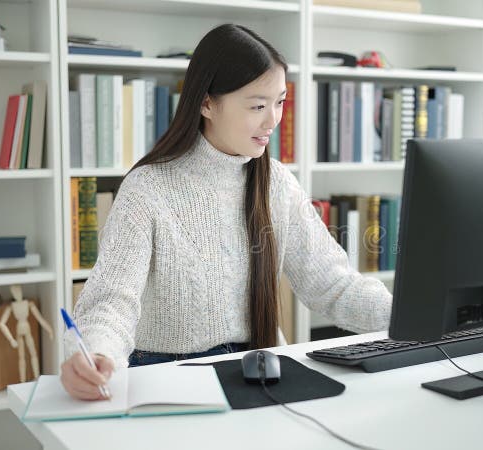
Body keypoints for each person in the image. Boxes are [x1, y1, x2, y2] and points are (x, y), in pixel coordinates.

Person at [61, 24, 393, 401]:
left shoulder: (276, 183)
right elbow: (112, 301)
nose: (273, 121)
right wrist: (96, 352)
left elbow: (332, 285)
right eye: (257, 106)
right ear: (206, 103)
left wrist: (415, 318)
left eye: (280, 102)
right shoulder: (147, 189)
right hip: (165, 374)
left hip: (257, 369)